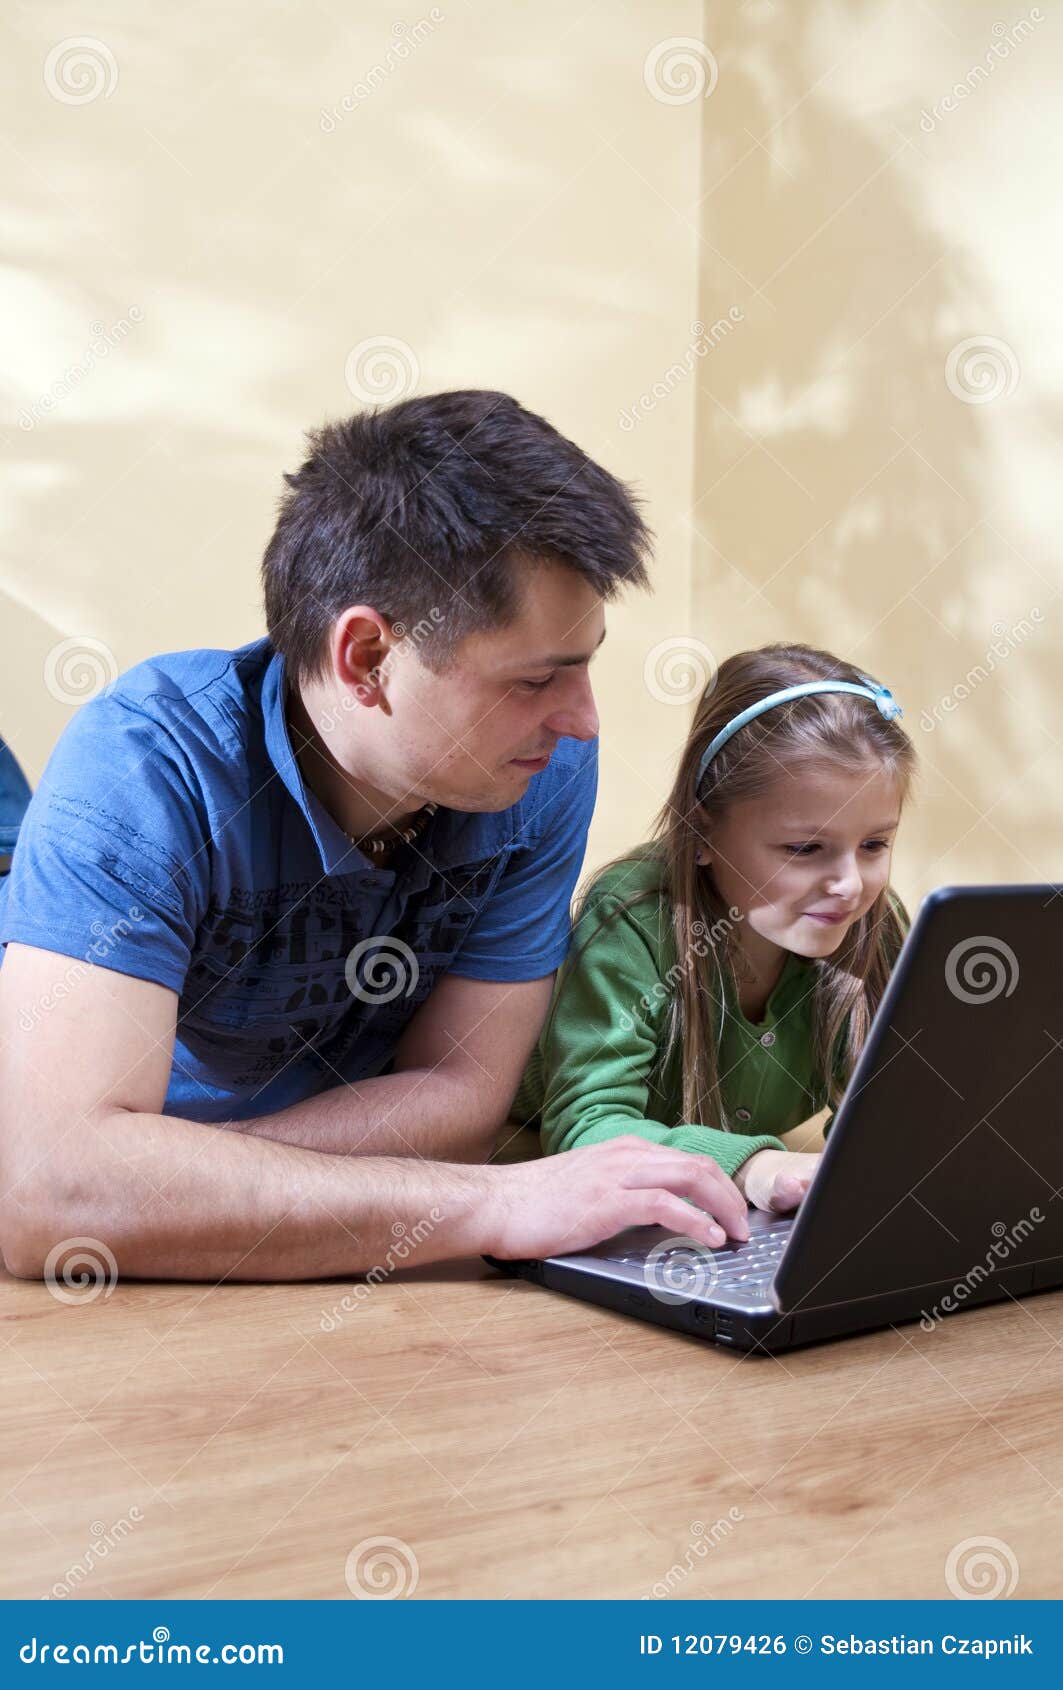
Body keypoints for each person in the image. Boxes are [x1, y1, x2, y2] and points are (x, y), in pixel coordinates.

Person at [0, 389, 752, 1284]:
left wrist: (173, 1178)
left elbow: (462, 1101)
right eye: (535, 679)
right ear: (367, 658)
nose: (582, 722)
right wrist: (496, 1203)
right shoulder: (144, 768)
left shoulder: (538, 773)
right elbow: (53, 1194)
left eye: (584, 666)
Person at [514, 643, 917, 1214]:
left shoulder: (873, 923)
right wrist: (752, 1165)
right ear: (701, 832)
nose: (850, 884)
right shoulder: (635, 916)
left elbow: (893, 1118)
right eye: (805, 848)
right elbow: (586, 1127)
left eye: (874, 844)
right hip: (514, 1161)